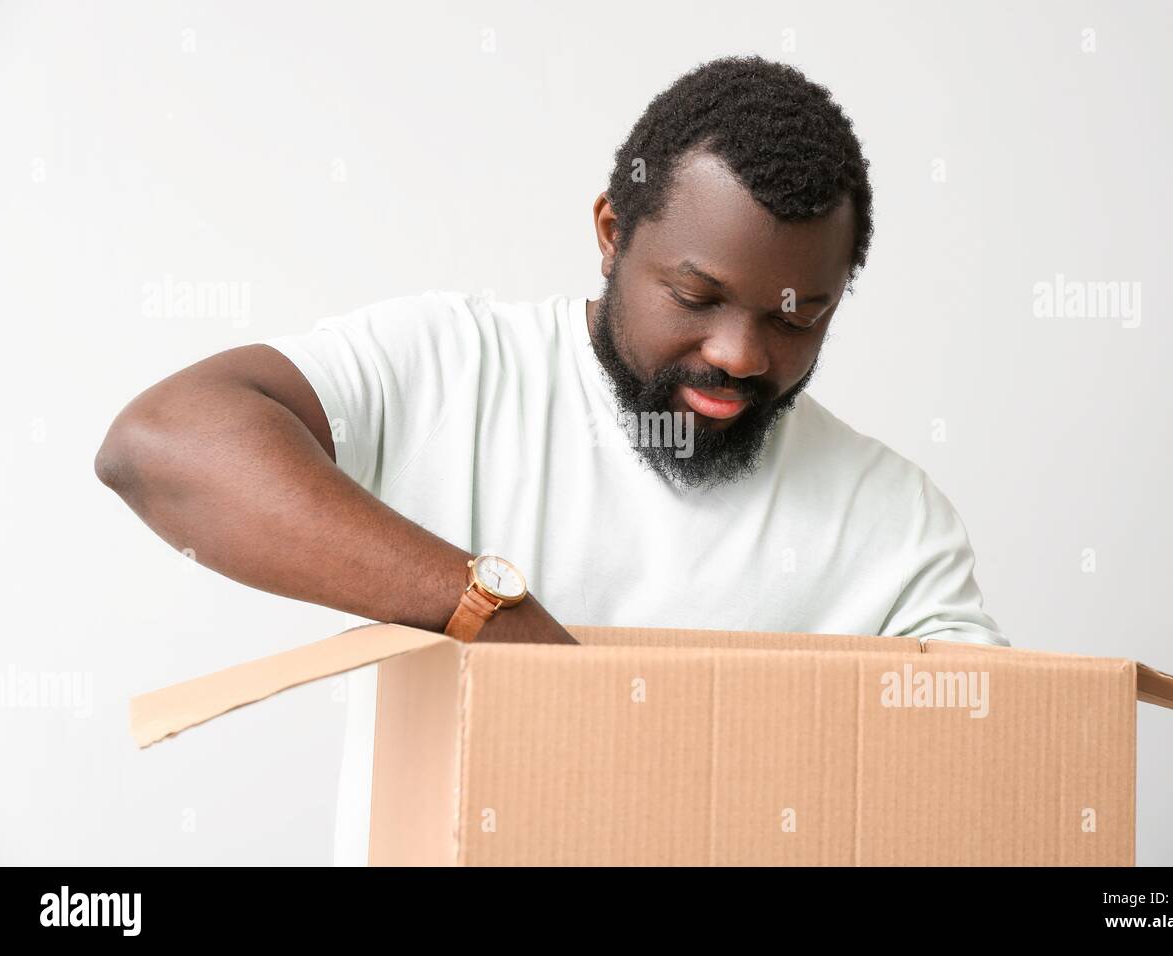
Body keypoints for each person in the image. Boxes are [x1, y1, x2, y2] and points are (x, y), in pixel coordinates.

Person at [96, 54, 1007, 865]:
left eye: (795, 316)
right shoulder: (450, 369)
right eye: (697, 295)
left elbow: (996, 780)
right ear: (612, 236)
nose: (739, 353)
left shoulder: (895, 525)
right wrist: (491, 614)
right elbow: (163, 442)